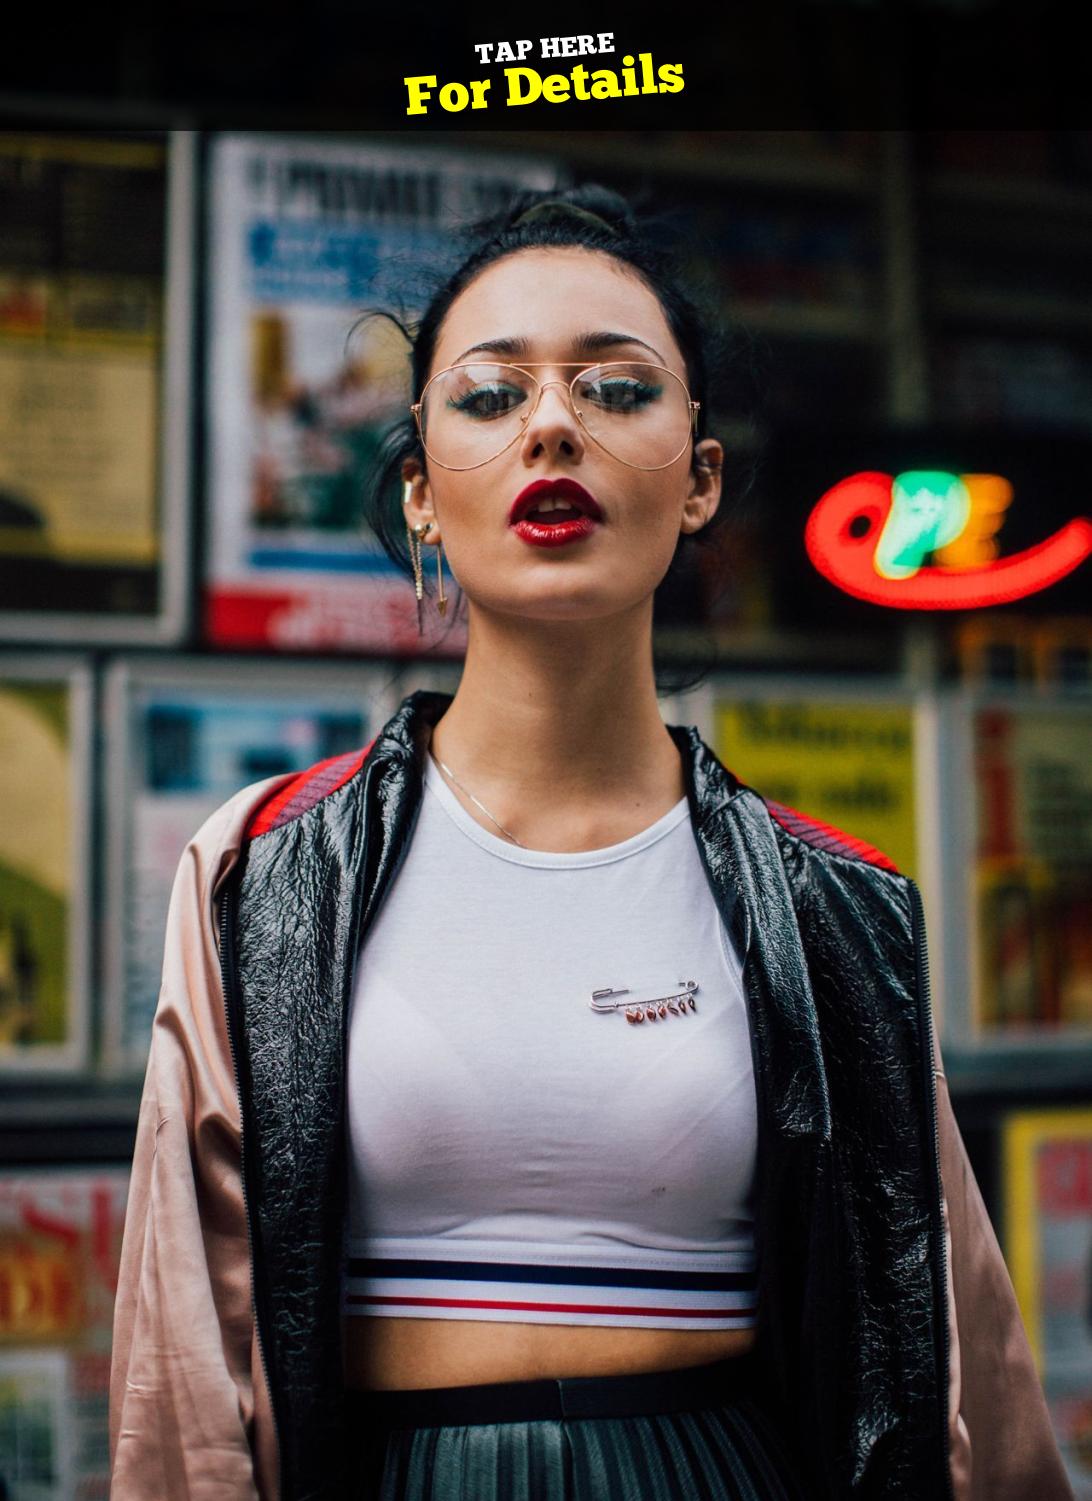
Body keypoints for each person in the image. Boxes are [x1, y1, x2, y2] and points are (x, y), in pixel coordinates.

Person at [108, 184, 1073, 1501]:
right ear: (422, 497)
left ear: (700, 479)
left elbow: (951, 1360)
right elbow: (185, 1364)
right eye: (491, 395)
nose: (552, 424)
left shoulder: (836, 904)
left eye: (617, 390)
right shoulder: (261, 866)